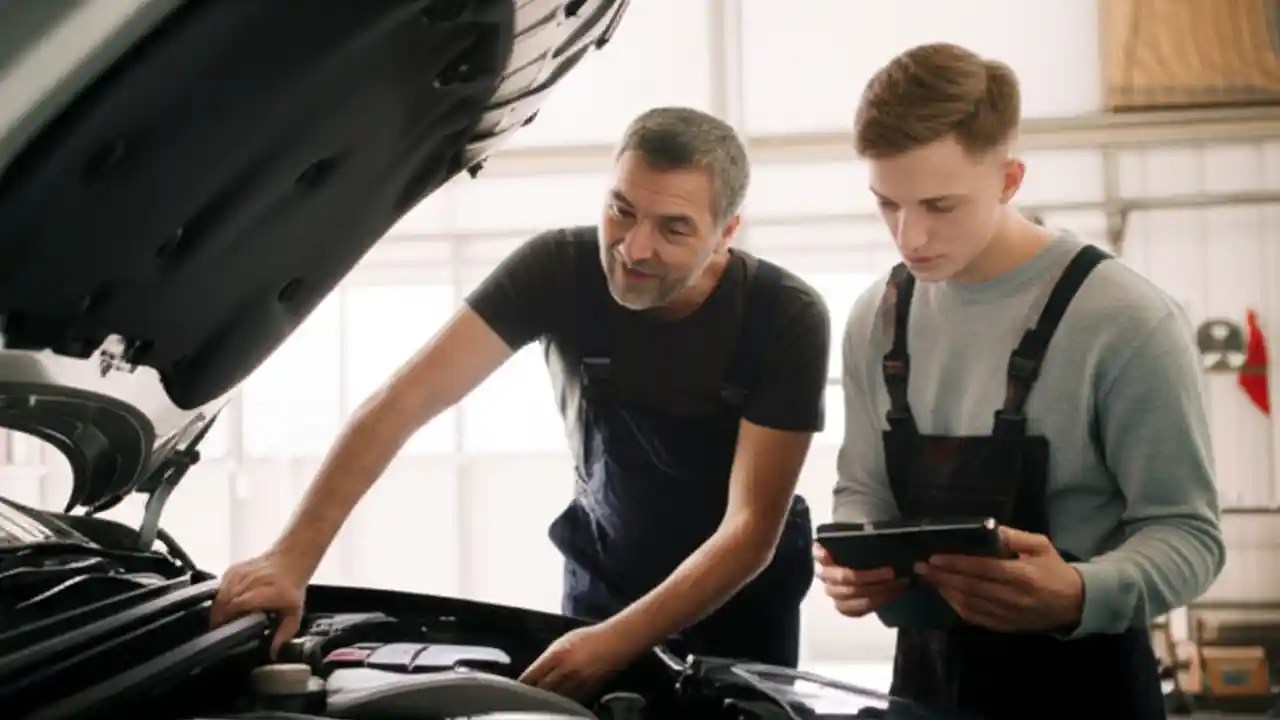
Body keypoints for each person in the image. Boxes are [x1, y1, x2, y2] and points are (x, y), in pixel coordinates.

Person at [209, 106, 830, 700]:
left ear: (726, 232)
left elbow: (750, 531)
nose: (635, 249)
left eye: (673, 229)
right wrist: (292, 558)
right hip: (604, 581)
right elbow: (404, 401)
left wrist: (617, 644)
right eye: (621, 210)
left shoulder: (785, 317)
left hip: (740, 602)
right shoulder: (556, 269)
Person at [814, 43, 1225, 719]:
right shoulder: (876, 319)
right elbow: (863, 487)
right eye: (887, 204)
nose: (909, 237)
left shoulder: (1125, 321)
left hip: (1086, 693)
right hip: (924, 691)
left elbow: (1188, 535)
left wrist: (1081, 593)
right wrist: (853, 556)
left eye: (940, 205)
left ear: (1010, 179)